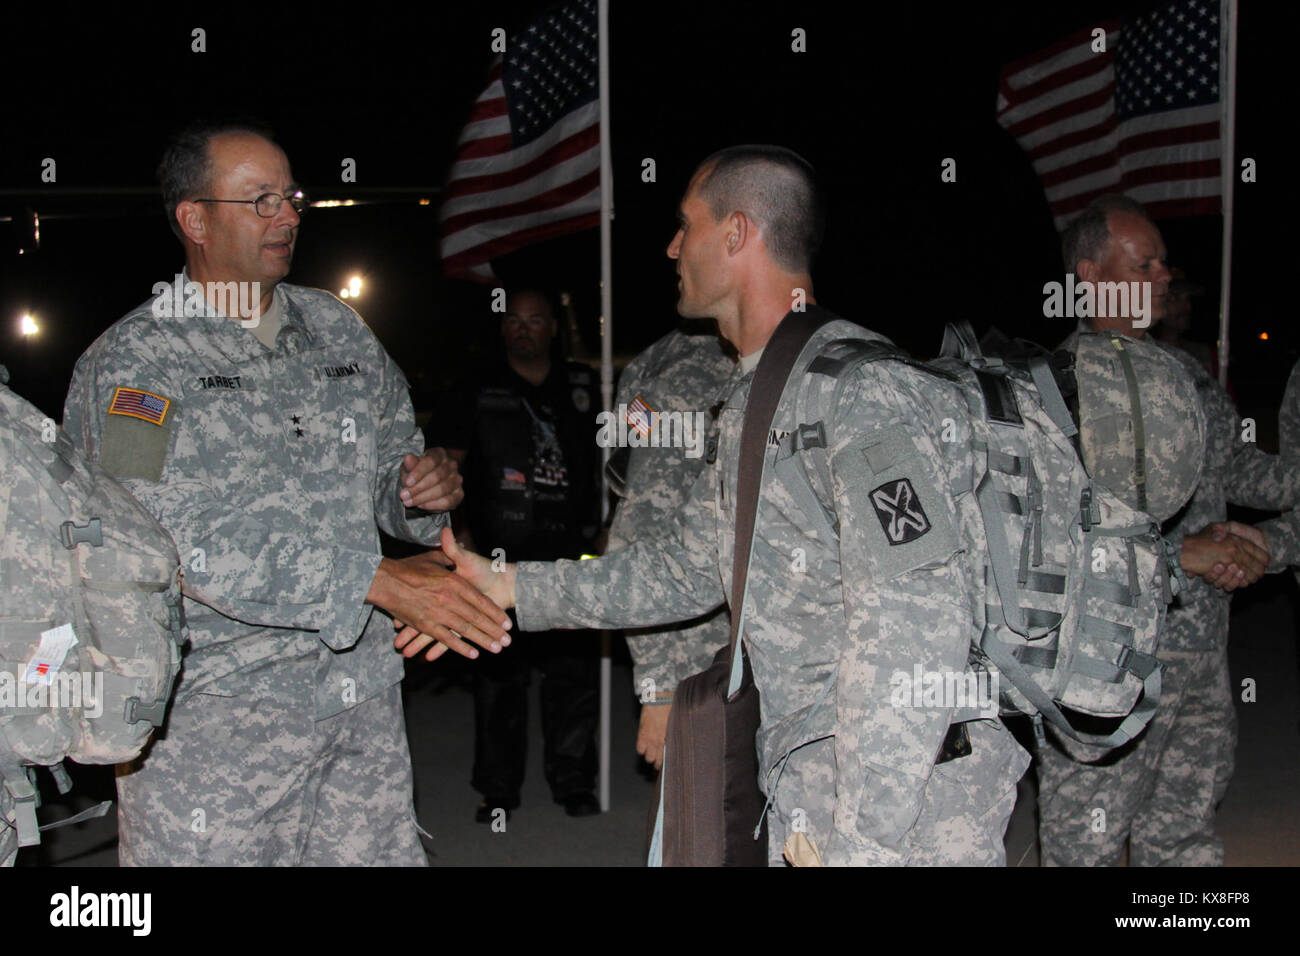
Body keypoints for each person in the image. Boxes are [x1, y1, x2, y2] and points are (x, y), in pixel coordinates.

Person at [404, 145, 1034, 865]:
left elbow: (914, 630)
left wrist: (866, 843)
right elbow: (686, 568)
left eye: (686, 225)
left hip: (905, 805)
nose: (672, 246)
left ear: (735, 235)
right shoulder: (758, 395)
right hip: (817, 775)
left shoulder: (860, 391)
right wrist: (509, 584)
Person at [62, 120, 510, 866]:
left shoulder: (338, 329)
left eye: (292, 196)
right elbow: (156, 537)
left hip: (357, 701)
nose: (289, 215)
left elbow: (391, 475)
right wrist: (373, 580)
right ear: (194, 219)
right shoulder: (137, 361)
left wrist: (422, 491)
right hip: (214, 721)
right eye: (260, 200)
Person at [1037, 195, 1294, 866]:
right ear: (1089, 277)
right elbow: (1050, 542)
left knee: (1182, 843)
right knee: (1085, 847)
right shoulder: (1052, 393)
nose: (1162, 280)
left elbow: (1254, 480)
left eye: (1163, 265)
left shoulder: (1189, 378)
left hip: (1201, 661)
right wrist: (1188, 553)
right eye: (1143, 264)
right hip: (1105, 671)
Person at [430, 288, 603, 820]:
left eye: (535, 320)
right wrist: (461, 540)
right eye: (514, 321)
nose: (523, 329)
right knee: (500, 679)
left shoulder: (584, 385)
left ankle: (574, 782)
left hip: (569, 557)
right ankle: (499, 790)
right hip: (497, 559)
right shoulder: (475, 386)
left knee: (573, 676)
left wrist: (608, 529)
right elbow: (446, 467)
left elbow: (622, 457)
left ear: (554, 327)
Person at [606, 322, 736, 771]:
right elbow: (641, 535)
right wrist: (662, 686)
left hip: (763, 650)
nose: (674, 248)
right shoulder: (690, 372)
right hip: (709, 657)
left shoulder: (770, 353)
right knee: (709, 818)